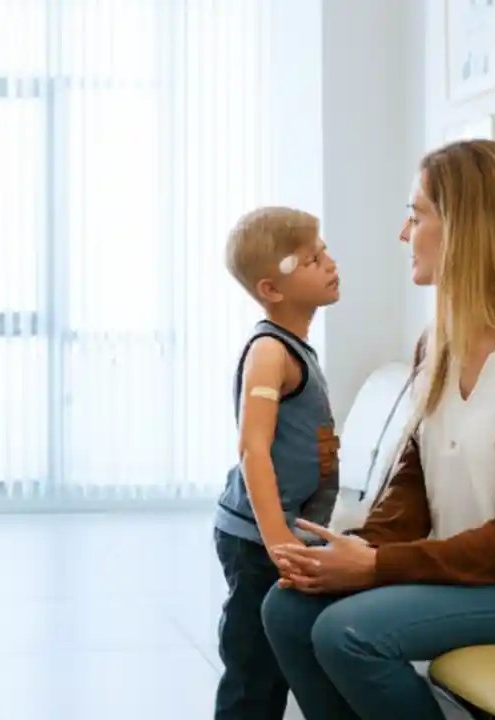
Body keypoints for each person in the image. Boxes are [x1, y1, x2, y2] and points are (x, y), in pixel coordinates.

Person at [261, 139, 495, 720]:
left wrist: (377, 568)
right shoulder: (439, 345)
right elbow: (412, 483)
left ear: (466, 225)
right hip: (462, 571)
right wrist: (354, 550)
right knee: (286, 609)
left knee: (348, 633)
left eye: (417, 214)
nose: (405, 234)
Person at [212, 206, 342, 720]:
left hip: (281, 535)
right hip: (258, 540)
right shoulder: (269, 352)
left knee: (275, 661)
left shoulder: (295, 347)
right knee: (253, 668)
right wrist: (279, 541)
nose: (331, 262)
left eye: (325, 250)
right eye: (313, 259)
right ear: (272, 288)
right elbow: (253, 449)